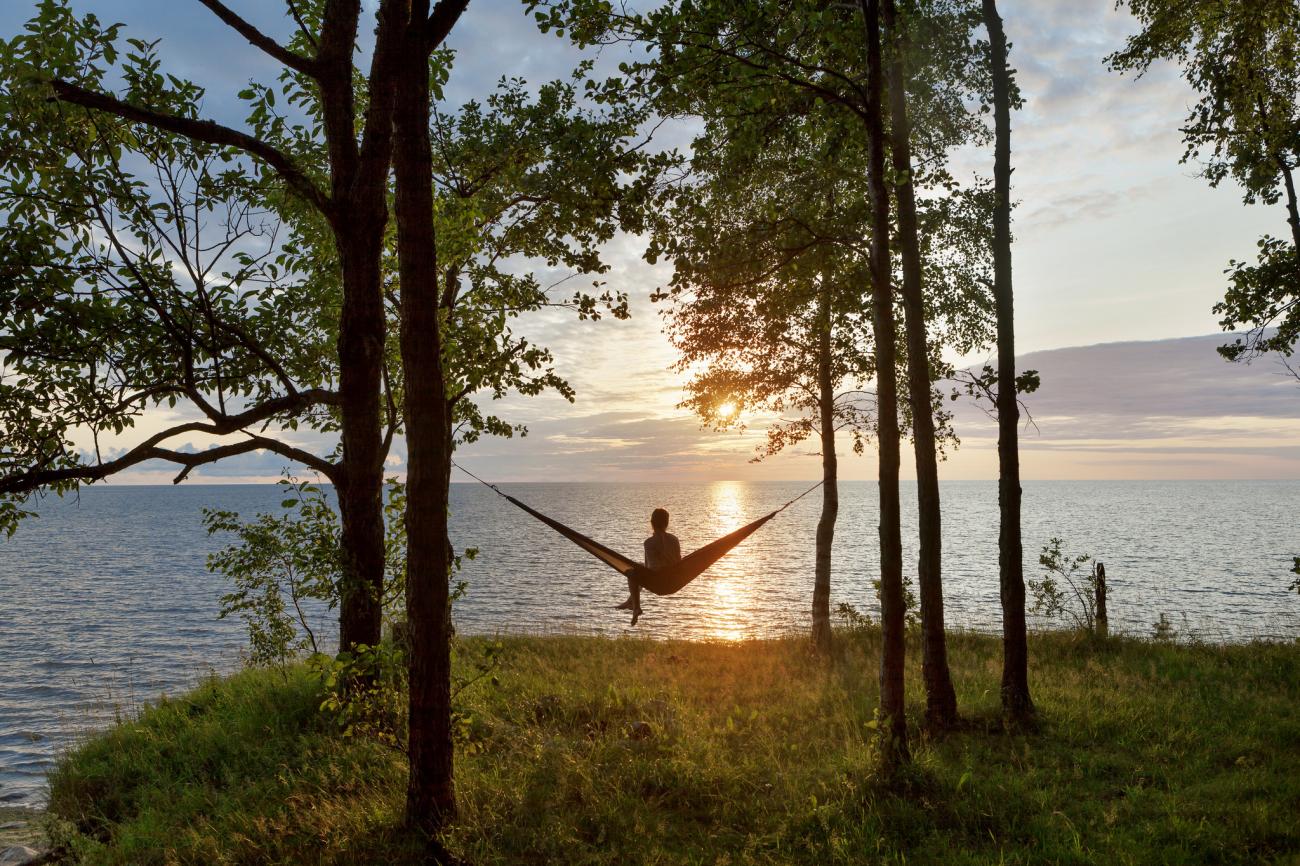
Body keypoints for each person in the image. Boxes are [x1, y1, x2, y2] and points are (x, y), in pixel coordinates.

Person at [617, 507, 681, 625]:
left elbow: (649, 567)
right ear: (667, 523)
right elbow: (679, 563)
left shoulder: (649, 543)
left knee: (632, 573)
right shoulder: (674, 539)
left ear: (651, 523)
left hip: (658, 582)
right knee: (639, 568)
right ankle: (630, 601)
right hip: (674, 581)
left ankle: (636, 606)